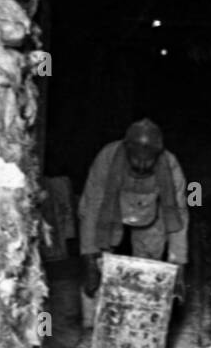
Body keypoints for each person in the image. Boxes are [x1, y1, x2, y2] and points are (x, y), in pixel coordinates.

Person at [79, 118, 189, 306]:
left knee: (147, 273)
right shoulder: (108, 158)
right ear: (127, 150)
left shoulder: (170, 166)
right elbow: (92, 209)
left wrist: (178, 271)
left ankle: (139, 312)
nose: (142, 165)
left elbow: (178, 217)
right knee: (98, 271)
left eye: (148, 160)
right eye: (136, 159)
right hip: (110, 210)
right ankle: (93, 322)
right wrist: (89, 261)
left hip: (150, 212)